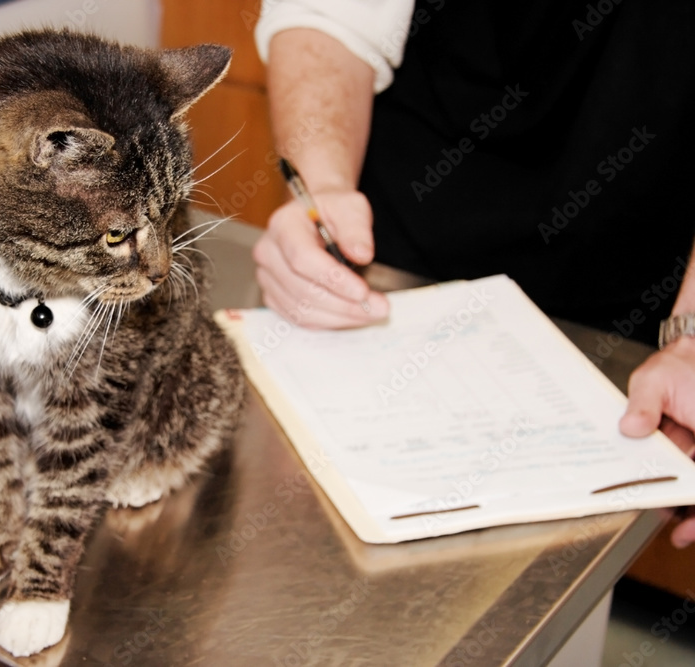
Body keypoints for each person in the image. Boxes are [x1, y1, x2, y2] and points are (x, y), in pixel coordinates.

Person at [251, 1, 695, 546]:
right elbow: (329, 19)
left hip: (626, 295)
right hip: (396, 269)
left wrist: (692, 337)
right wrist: (323, 195)